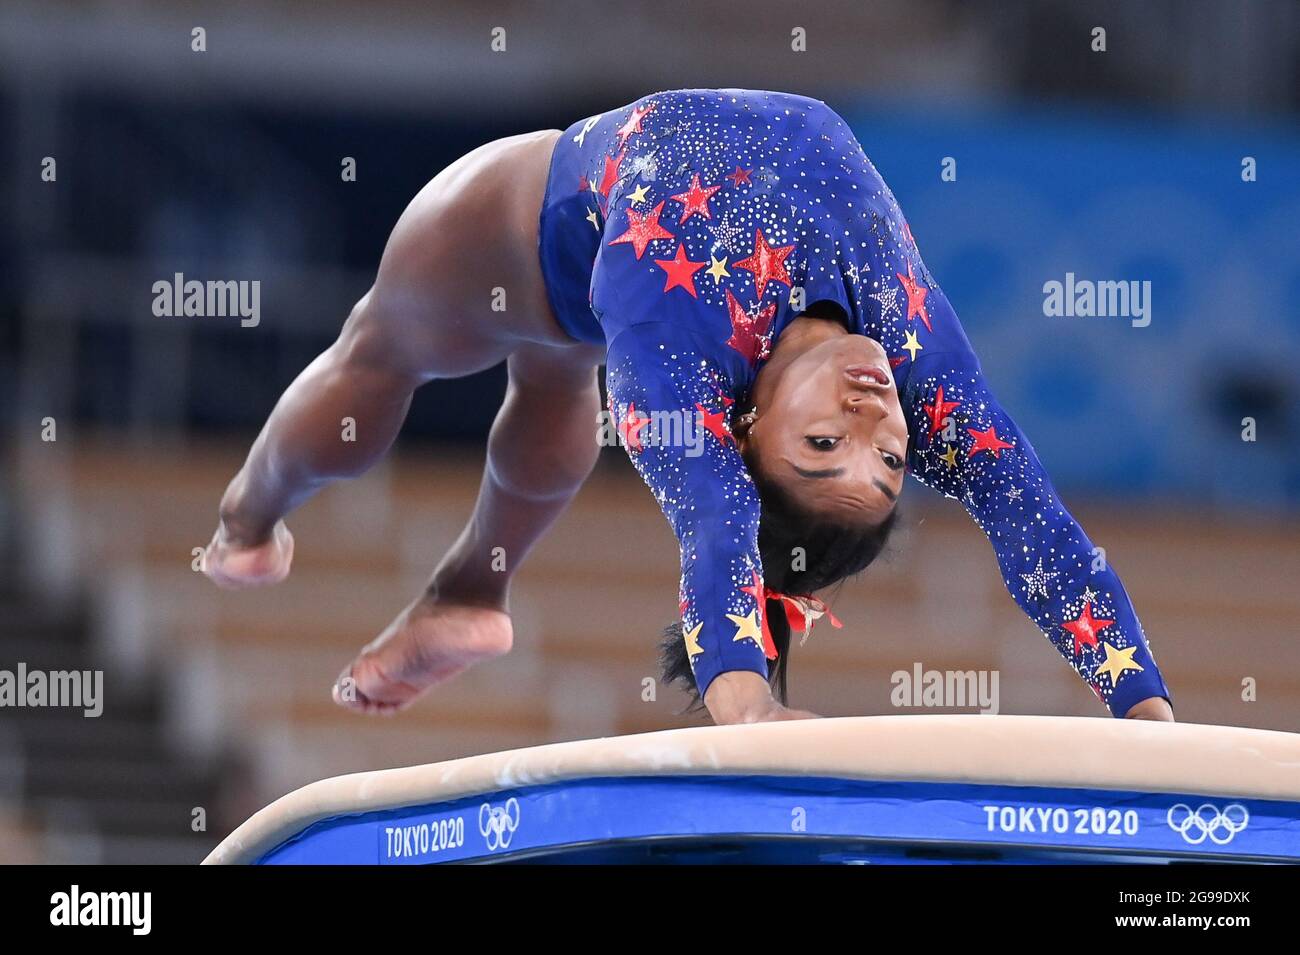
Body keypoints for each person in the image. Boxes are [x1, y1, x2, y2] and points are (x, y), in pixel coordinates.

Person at [201, 89, 1174, 726]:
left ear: (742, 429)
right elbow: (1038, 528)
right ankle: (449, 585)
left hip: (505, 238)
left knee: (381, 351)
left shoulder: (680, 351)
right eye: (888, 460)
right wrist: (1144, 709)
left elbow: (717, 527)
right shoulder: (913, 354)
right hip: (595, 271)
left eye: (827, 443)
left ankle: (251, 516)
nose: (877, 423)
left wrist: (746, 702)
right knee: (542, 375)